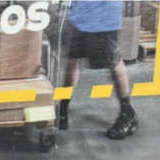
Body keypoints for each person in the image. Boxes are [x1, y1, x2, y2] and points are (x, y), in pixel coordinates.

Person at [57, 0, 138, 140]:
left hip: (103, 18)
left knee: (113, 61)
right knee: (73, 59)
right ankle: (63, 108)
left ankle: (128, 113)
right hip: (81, 15)